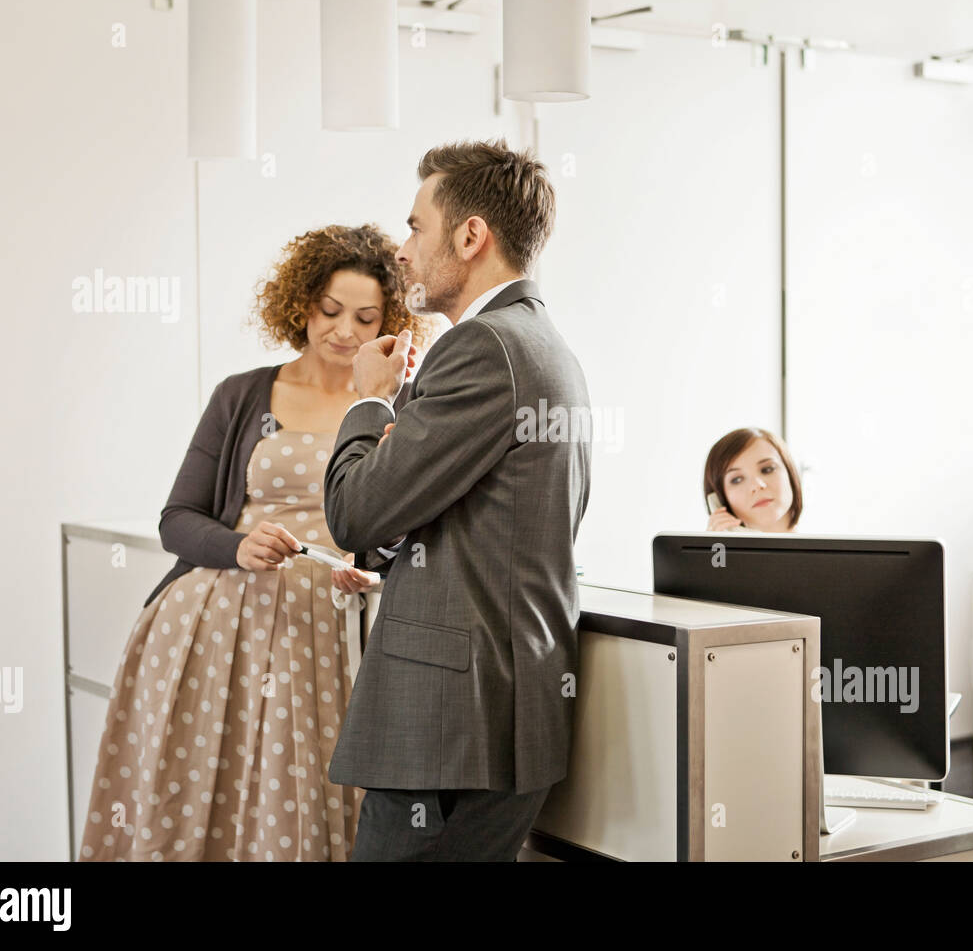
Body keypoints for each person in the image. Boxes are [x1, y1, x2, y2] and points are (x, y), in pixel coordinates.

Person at [79, 224, 435, 861]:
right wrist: (237, 545)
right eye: (329, 310)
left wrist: (372, 568)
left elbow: (407, 528)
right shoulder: (242, 394)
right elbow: (177, 518)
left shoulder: (395, 406)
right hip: (218, 626)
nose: (344, 332)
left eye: (365, 317)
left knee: (302, 792)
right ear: (300, 305)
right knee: (202, 794)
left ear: (391, 323)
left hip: (329, 632)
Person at [322, 139, 592, 861]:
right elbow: (431, 521)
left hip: (449, 731)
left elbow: (356, 513)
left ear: (471, 236)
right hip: (487, 722)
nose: (402, 250)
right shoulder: (538, 346)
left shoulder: (483, 348)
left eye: (416, 227)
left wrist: (370, 404)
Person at [703, 426, 804, 532]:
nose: (757, 485)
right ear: (720, 498)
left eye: (767, 469)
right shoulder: (716, 548)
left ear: (790, 472)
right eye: (737, 479)